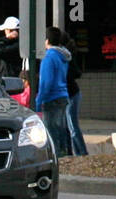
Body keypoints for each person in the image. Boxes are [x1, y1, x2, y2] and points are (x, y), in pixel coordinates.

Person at [35, 26, 71, 157]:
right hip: (63, 95)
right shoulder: (63, 55)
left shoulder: (48, 57)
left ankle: (56, 157)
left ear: (46, 40)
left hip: (51, 98)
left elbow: (46, 82)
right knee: (60, 128)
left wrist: (38, 101)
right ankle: (63, 154)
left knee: (51, 131)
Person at [63, 30, 88, 156]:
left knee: (72, 126)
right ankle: (71, 152)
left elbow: (75, 73)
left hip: (71, 94)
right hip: (70, 93)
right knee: (68, 126)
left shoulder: (66, 57)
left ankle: (82, 153)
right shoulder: (66, 55)